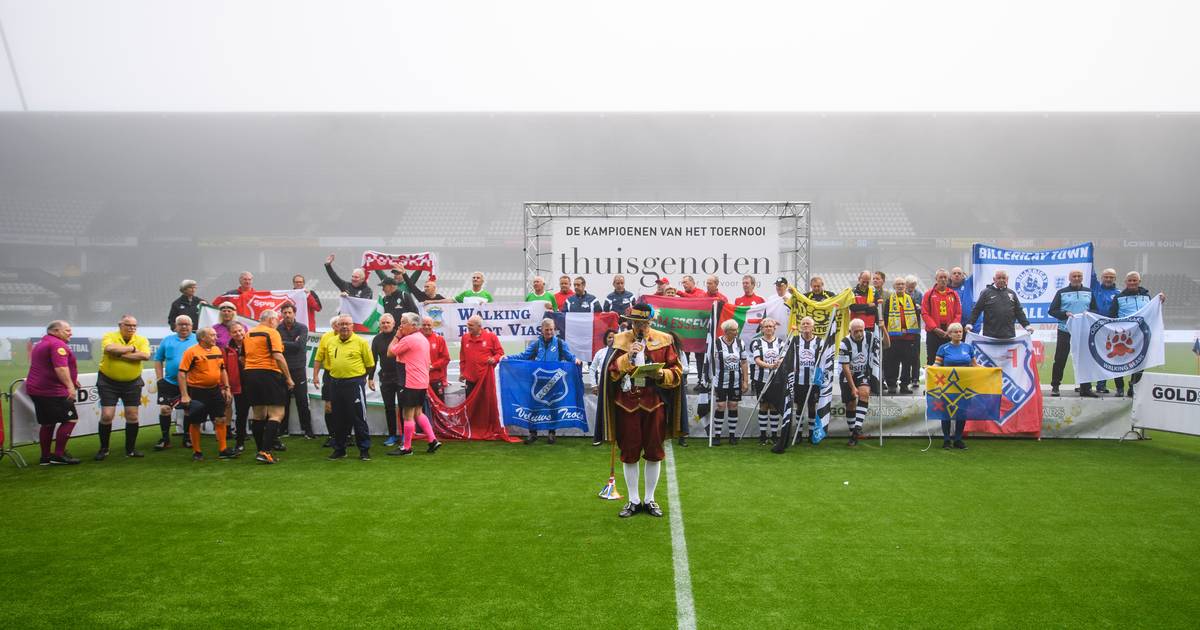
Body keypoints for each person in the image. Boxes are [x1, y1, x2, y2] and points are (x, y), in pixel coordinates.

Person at [601, 302, 685, 518]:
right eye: (636, 323)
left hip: (654, 402)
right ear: (630, 322)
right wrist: (627, 357)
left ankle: (649, 498)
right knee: (629, 453)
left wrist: (661, 375)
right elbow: (610, 373)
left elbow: (676, 371)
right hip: (626, 403)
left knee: (654, 453)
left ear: (650, 322)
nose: (640, 327)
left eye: (644, 323)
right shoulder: (620, 340)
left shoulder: (664, 340)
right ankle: (633, 500)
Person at [507, 318, 584, 444]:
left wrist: (576, 360)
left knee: (553, 408)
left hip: (554, 382)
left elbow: (570, 356)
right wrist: (508, 357)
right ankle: (533, 433)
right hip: (537, 383)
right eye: (547, 329)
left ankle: (552, 433)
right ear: (542, 330)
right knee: (533, 408)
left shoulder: (560, 343)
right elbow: (523, 356)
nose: (549, 332)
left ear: (554, 330)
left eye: (551, 329)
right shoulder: (536, 344)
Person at [313, 314, 374, 461]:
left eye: (347, 324)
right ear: (337, 327)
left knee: (359, 418)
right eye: (342, 324)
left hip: (354, 384)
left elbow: (370, 364)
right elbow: (322, 360)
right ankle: (339, 449)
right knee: (338, 418)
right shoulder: (331, 341)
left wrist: (359, 379)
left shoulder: (361, 342)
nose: (345, 326)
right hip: (335, 383)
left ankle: (364, 450)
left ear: (352, 326)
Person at [242, 310, 295, 464]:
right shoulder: (272, 332)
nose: (278, 323)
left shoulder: (249, 333)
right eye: (277, 320)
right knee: (277, 414)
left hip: (250, 374)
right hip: (269, 374)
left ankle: (261, 451)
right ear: (271, 320)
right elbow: (278, 355)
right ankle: (265, 451)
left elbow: (242, 356)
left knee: (258, 414)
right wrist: (288, 378)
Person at [95, 315, 151, 460]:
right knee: (107, 415)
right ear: (120, 325)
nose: (132, 328)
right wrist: (131, 349)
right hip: (108, 381)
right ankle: (104, 448)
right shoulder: (109, 336)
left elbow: (145, 356)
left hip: (132, 382)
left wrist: (119, 355)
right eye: (128, 325)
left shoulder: (142, 339)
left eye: (134, 326)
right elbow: (109, 349)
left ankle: (130, 450)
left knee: (132, 415)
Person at [387, 312, 443, 456]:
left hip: (409, 381)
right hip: (421, 381)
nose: (400, 325)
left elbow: (390, 353)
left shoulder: (409, 339)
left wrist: (397, 336)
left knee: (408, 414)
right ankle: (432, 440)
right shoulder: (422, 338)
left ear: (413, 325)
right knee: (418, 412)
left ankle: (407, 448)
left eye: (403, 322)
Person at [27, 320, 81, 465]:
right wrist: (70, 386)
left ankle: (45, 457)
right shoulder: (58, 344)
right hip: (52, 390)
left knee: (48, 423)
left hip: (37, 388)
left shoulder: (41, 343)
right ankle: (58, 454)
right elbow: (61, 368)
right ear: (56, 331)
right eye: (67, 330)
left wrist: (72, 380)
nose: (71, 333)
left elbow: (47, 366)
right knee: (70, 419)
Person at [177, 327, 235, 461]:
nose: (216, 338)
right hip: (197, 391)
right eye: (212, 335)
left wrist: (226, 388)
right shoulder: (191, 352)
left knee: (220, 419)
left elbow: (222, 370)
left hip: (214, 390)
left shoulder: (216, 350)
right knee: (196, 422)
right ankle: (197, 452)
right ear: (203, 338)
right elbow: (181, 373)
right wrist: (185, 395)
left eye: (216, 335)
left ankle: (223, 449)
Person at [1109, 272, 1166, 398]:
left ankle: (1133, 386)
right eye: (1130, 280)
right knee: (1118, 362)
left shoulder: (1146, 296)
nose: (1132, 282)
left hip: (1142, 335)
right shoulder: (1118, 298)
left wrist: (1160, 300)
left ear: (1139, 281)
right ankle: (1119, 388)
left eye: (1135, 280)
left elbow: (1152, 310)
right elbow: (1112, 316)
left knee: (1140, 362)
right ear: (1126, 282)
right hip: (1124, 336)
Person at [772, 317, 822, 454]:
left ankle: (811, 434)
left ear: (813, 327)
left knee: (812, 405)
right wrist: (781, 361)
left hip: (813, 381)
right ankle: (799, 434)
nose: (805, 326)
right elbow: (787, 355)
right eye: (803, 324)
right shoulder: (794, 340)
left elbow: (824, 359)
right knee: (799, 405)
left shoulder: (819, 341)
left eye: (808, 324)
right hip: (798, 380)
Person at [1048, 269, 1098, 398]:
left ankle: (1085, 388)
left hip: (1083, 330)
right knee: (1060, 358)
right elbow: (1052, 310)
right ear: (1069, 278)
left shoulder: (1089, 292)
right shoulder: (1062, 292)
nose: (1076, 278)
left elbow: (1095, 309)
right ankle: (1055, 386)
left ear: (1082, 278)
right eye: (1074, 276)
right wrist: (1065, 314)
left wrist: (1089, 313)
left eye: (1079, 276)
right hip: (1065, 329)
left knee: (1085, 359)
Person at [839, 318, 889, 447]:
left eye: (861, 330)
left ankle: (857, 429)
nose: (859, 334)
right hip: (848, 374)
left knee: (864, 393)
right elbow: (845, 367)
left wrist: (883, 328)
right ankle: (853, 433)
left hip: (863, 373)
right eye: (856, 331)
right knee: (850, 404)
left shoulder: (870, 336)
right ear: (850, 331)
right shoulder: (844, 343)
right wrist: (852, 387)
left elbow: (887, 345)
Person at [152, 314, 198, 451]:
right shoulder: (167, 340)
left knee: (188, 410)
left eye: (187, 324)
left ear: (192, 326)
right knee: (165, 409)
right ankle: (165, 439)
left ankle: (187, 437)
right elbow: (158, 359)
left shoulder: (197, 340)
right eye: (181, 324)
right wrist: (159, 378)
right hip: (169, 383)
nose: (184, 327)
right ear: (175, 326)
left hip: (190, 382)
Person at [933, 322, 977, 449]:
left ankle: (958, 439)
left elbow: (975, 365)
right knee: (946, 412)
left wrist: (991, 371)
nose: (958, 334)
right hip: (947, 386)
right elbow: (937, 365)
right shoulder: (943, 348)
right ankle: (946, 440)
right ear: (950, 334)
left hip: (964, 385)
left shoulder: (968, 348)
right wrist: (930, 368)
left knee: (962, 412)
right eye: (955, 332)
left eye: (960, 332)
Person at [277, 302, 314, 441]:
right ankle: (283, 429)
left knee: (302, 400)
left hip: (298, 368)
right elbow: (277, 347)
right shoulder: (277, 328)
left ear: (294, 313)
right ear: (282, 314)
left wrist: (284, 343)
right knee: (283, 400)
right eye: (285, 312)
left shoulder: (302, 328)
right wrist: (292, 343)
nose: (287, 315)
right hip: (282, 368)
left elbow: (300, 345)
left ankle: (307, 430)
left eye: (289, 312)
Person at [708, 319, 748, 445]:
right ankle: (717, 435)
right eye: (733, 330)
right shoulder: (716, 343)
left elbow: (744, 362)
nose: (736, 332)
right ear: (726, 331)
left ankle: (732, 435)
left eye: (737, 330)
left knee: (733, 405)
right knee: (720, 406)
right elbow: (709, 362)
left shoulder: (740, 343)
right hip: (720, 380)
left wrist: (745, 380)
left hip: (735, 380)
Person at [966, 270, 1032, 339]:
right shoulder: (986, 293)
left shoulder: (1011, 293)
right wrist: (970, 324)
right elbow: (977, 310)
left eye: (1003, 278)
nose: (1001, 280)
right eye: (999, 278)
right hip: (990, 336)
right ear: (994, 279)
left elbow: (1019, 312)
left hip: (1009, 336)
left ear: (1006, 279)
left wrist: (1027, 326)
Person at [748, 317, 783, 444]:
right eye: (766, 326)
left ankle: (774, 435)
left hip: (776, 379)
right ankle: (762, 435)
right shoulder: (757, 342)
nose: (768, 328)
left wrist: (779, 362)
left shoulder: (780, 342)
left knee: (774, 406)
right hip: (761, 379)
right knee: (763, 406)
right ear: (762, 329)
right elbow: (757, 360)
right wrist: (770, 366)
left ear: (775, 328)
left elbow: (784, 358)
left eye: (771, 326)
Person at [882, 277, 920, 395]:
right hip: (893, 337)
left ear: (905, 286)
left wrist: (910, 331)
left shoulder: (911, 299)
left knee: (907, 363)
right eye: (898, 284)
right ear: (894, 286)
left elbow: (915, 318)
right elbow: (886, 318)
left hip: (908, 338)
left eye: (902, 284)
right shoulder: (889, 300)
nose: (900, 286)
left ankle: (904, 385)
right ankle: (892, 385)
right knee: (892, 362)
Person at [370, 314, 403, 447]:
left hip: (401, 377)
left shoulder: (400, 337)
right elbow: (373, 360)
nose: (385, 325)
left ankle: (405, 434)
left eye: (388, 322)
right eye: (383, 323)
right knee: (389, 407)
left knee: (403, 407)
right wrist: (370, 378)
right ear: (380, 325)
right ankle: (392, 435)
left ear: (394, 323)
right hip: (385, 377)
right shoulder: (377, 339)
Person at [922, 269, 961, 368]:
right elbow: (925, 313)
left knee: (950, 359)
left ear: (948, 279)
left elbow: (958, 313)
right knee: (932, 359)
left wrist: (951, 329)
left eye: (945, 278)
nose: (943, 280)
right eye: (941, 277)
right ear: (936, 279)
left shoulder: (954, 294)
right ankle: (931, 383)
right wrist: (935, 328)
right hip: (933, 333)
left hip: (949, 333)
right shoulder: (929, 294)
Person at [1091, 268, 1120, 394]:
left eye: (1111, 277)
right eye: (1106, 277)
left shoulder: (1119, 293)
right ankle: (1085, 384)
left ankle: (1102, 385)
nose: (1108, 279)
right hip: (1095, 327)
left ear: (1115, 278)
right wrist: (1089, 252)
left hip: (1111, 330)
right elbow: (1091, 273)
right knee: (1093, 356)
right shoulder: (1095, 288)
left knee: (1108, 357)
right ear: (1102, 278)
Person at [458, 314, 504, 397]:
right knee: (471, 406)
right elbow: (463, 357)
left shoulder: (491, 337)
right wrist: (462, 372)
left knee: (485, 404)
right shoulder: (465, 338)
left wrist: (494, 359)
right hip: (470, 379)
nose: (468, 327)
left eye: (471, 325)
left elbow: (500, 353)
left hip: (485, 379)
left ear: (479, 326)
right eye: (467, 324)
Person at [223, 321, 251, 453]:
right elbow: (224, 369)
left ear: (244, 330)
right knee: (241, 414)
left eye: (240, 330)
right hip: (239, 386)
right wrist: (226, 386)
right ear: (230, 334)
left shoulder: (252, 344)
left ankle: (271, 441)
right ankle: (240, 442)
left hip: (255, 383)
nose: (238, 333)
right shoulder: (227, 348)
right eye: (235, 332)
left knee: (264, 413)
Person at [589, 329, 618, 445]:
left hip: (617, 387)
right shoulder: (600, 353)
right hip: (603, 386)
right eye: (609, 337)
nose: (611, 339)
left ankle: (617, 437)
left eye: (614, 337)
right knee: (601, 411)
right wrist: (594, 385)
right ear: (605, 339)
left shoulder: (621, 353)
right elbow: (592, 369)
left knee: (617, 411)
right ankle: (599, 437)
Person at [422, 315, 451, 402]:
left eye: (428, 325)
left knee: (439, 404)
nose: (426, 327)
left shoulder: (439, 339)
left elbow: (446, 358)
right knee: (424, 407)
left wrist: (433, 366)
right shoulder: (417, 339)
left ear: (433, 325)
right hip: (421, 380)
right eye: (424, 325)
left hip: (435, 379)